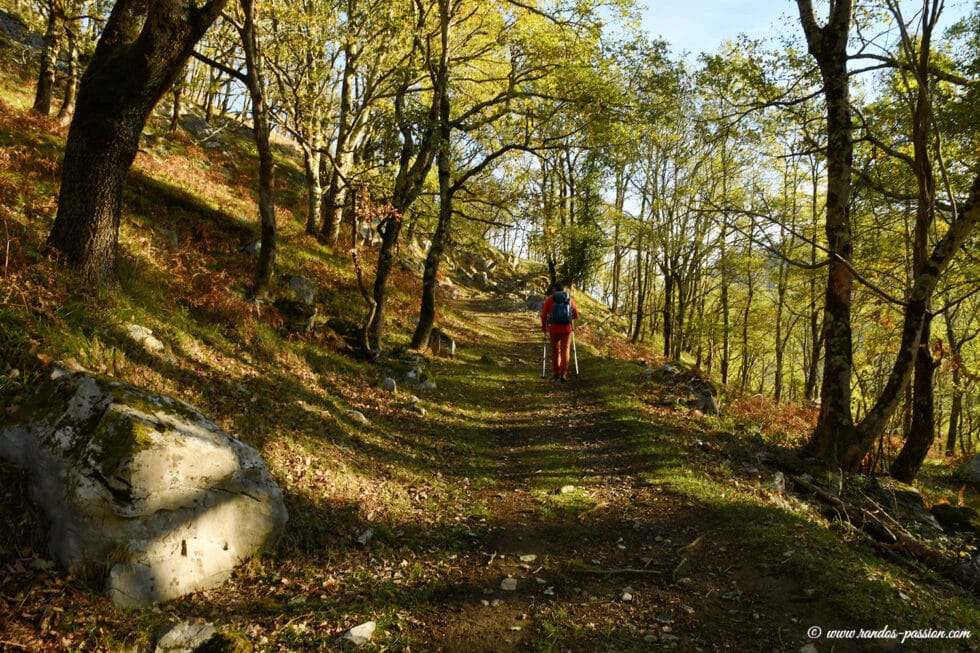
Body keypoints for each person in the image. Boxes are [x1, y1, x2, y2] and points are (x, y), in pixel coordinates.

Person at [540, 282, 579, 381]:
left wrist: (544, 327)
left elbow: (543, 315)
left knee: (555, 351)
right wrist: (569, 318)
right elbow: (576, 314)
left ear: (554, 290)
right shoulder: (569, 299)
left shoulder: (550, 300)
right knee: (565, 350)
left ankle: (556, 373)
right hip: (567, 328)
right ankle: (563, 374)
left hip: (554, 329)